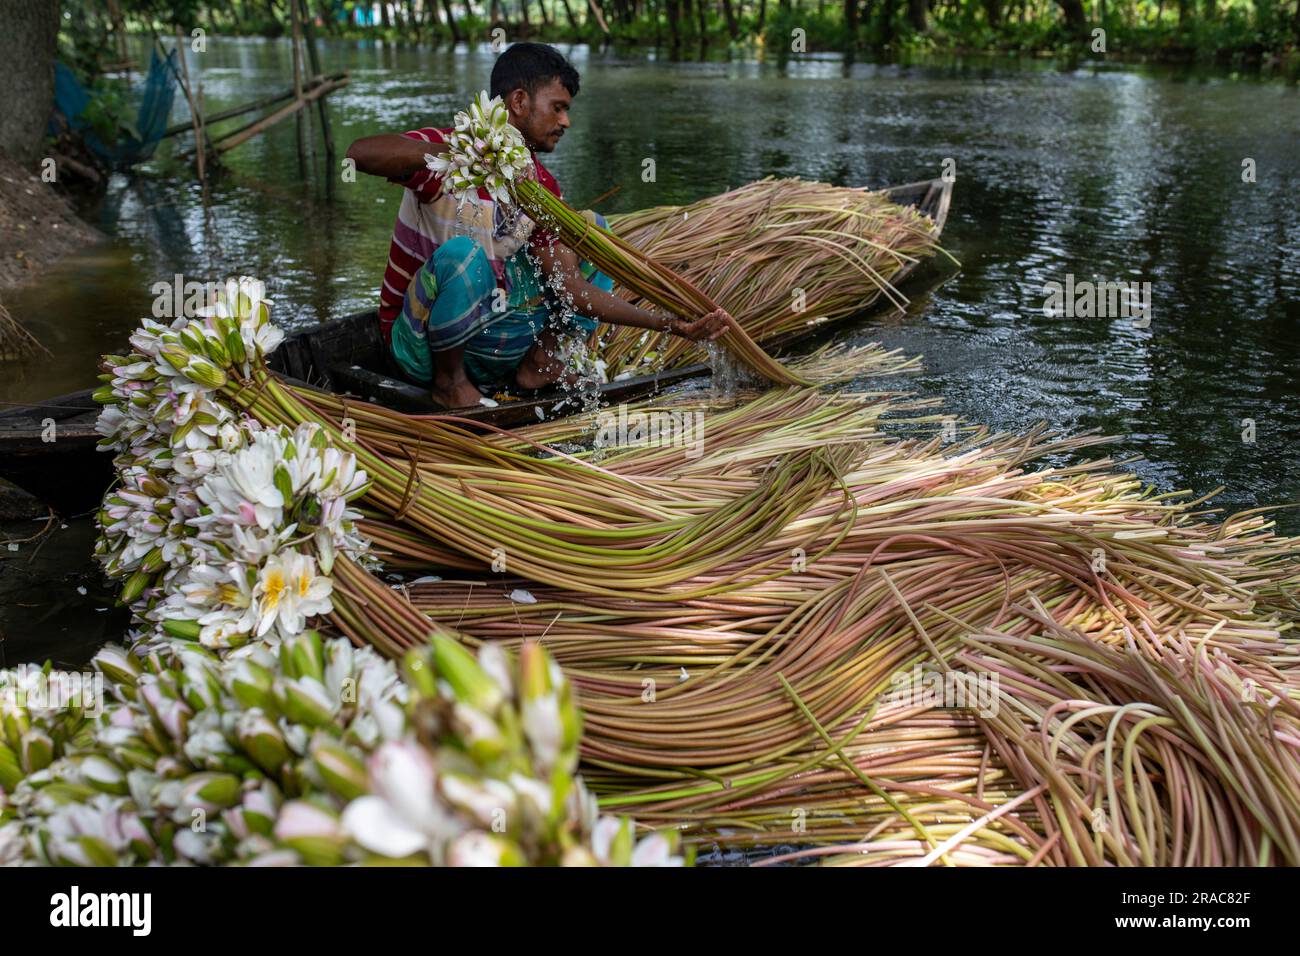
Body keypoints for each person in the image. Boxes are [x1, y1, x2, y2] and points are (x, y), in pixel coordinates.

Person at [346, 42, 731, 409]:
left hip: (485, 342)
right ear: (518, 101)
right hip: (420, 348)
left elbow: (573, 289)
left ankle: (538, 366)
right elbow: (358, 155)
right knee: (466, 256)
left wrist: (669, 323)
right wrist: (464, 153)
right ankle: (450, 386)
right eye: (558, 107)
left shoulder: (539, 186)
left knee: (593, 231)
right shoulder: (447, 155)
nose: (566, 121)